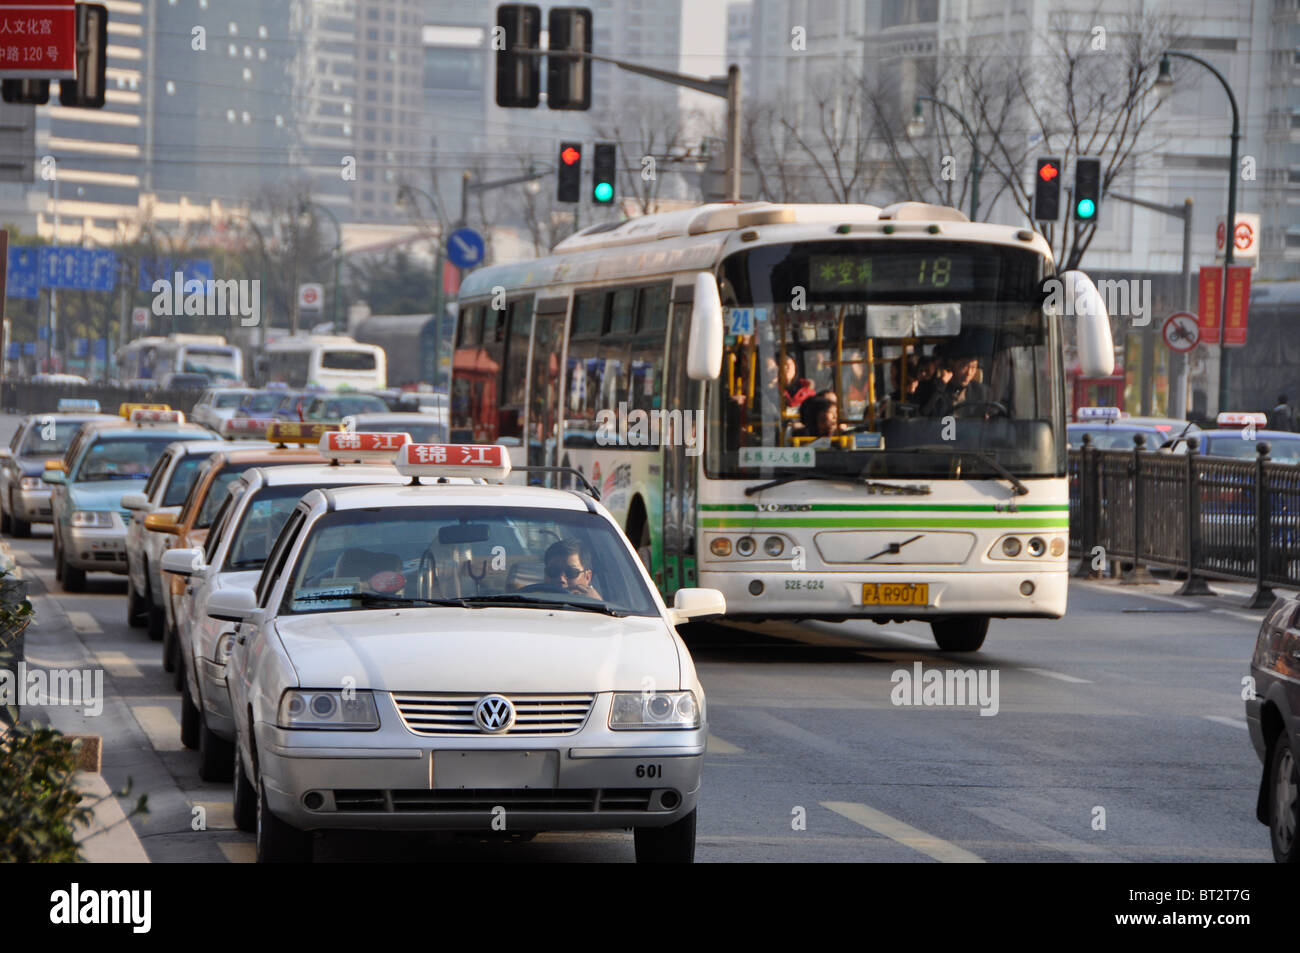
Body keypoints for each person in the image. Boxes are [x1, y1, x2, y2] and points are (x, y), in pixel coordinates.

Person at [921, 356, 989, 417]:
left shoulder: (980, 391)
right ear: (951, 366)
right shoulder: (936, 388)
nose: (969, 373)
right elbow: (924, 413)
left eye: (973, 367)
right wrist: (942, 385)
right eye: (963, 366)